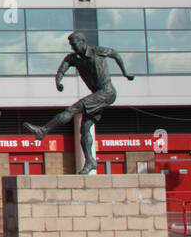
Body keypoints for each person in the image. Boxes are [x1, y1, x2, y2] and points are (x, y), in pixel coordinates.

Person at [23, 31, 134, 175]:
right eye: (71, 45)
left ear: (82, 42)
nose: (73, 48)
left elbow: (116, 54)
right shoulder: (74, 58)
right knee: (84, 129)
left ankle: (43, 130)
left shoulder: (97, 51)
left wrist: (125, 73)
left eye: (74, 44)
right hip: (97, 95)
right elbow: (62, 68)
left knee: (72, 109)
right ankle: (90, 161)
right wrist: (58, 81)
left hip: (107, 92)